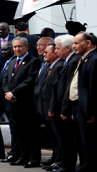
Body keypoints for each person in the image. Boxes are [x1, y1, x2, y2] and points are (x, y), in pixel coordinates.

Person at [2, 37, 41, 168]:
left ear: (26, 47)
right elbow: (5, 80)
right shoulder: (12, 61)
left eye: (19, 46)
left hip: (26, 102)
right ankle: (23, 156)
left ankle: (34, 158)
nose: (17, 49)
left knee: (30, 131)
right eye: (15, 47)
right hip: (12, 103)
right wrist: (8, 93)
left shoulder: (33, 61)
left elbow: (30, 80)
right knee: (18, 131)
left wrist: (14, 93)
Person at [69, 32, 97, 171]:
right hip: (79, 107)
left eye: (77, 43)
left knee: (90, 143)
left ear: (88, 43)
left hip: (88, 110)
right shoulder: (84, 59)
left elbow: (93, 89)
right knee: (84, 143)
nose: (74, 46)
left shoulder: (93, 59)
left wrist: (91, 112)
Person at [53, 35, 80, 172]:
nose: (55, 51)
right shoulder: (67, 61)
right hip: (63, 108)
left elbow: (68, 89)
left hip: (69, 109)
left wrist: (65, 110)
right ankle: (65, 163)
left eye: (58, 48)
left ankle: (69, 165)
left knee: (70, 140)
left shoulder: (74, 61)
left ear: (67, 48)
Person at [35, 43, 63, 168]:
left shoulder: (58, 66)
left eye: (47, 52)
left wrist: (52, 108)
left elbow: (54, 91)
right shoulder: (48, 65)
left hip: (52, 108)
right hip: (44, 107)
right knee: (53, 136)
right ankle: (56, 158)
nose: (44, 54)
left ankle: (60, 160)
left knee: (59, 137)